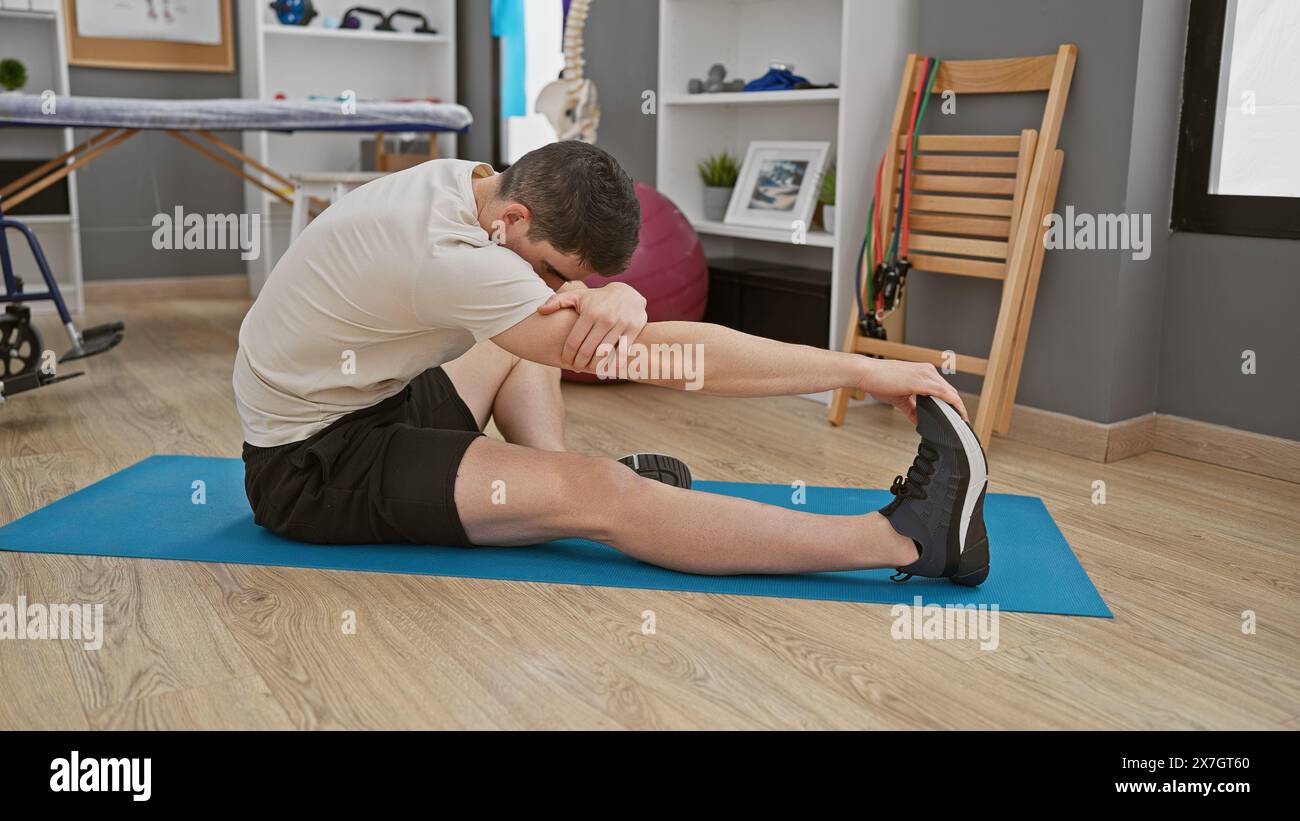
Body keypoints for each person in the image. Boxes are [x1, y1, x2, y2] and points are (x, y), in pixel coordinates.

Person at [233, 141, 989, 586]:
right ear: (515, 221)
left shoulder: (475, 186)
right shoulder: (450, 258)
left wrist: (613, 291)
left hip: (380, 395)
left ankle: (541, 497)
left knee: (524, 337)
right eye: (558, 271)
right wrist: (859, 370)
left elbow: (584, 314)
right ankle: (907, 540)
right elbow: (676, 360)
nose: (566, 291)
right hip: (312, 465)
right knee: (602, 485)